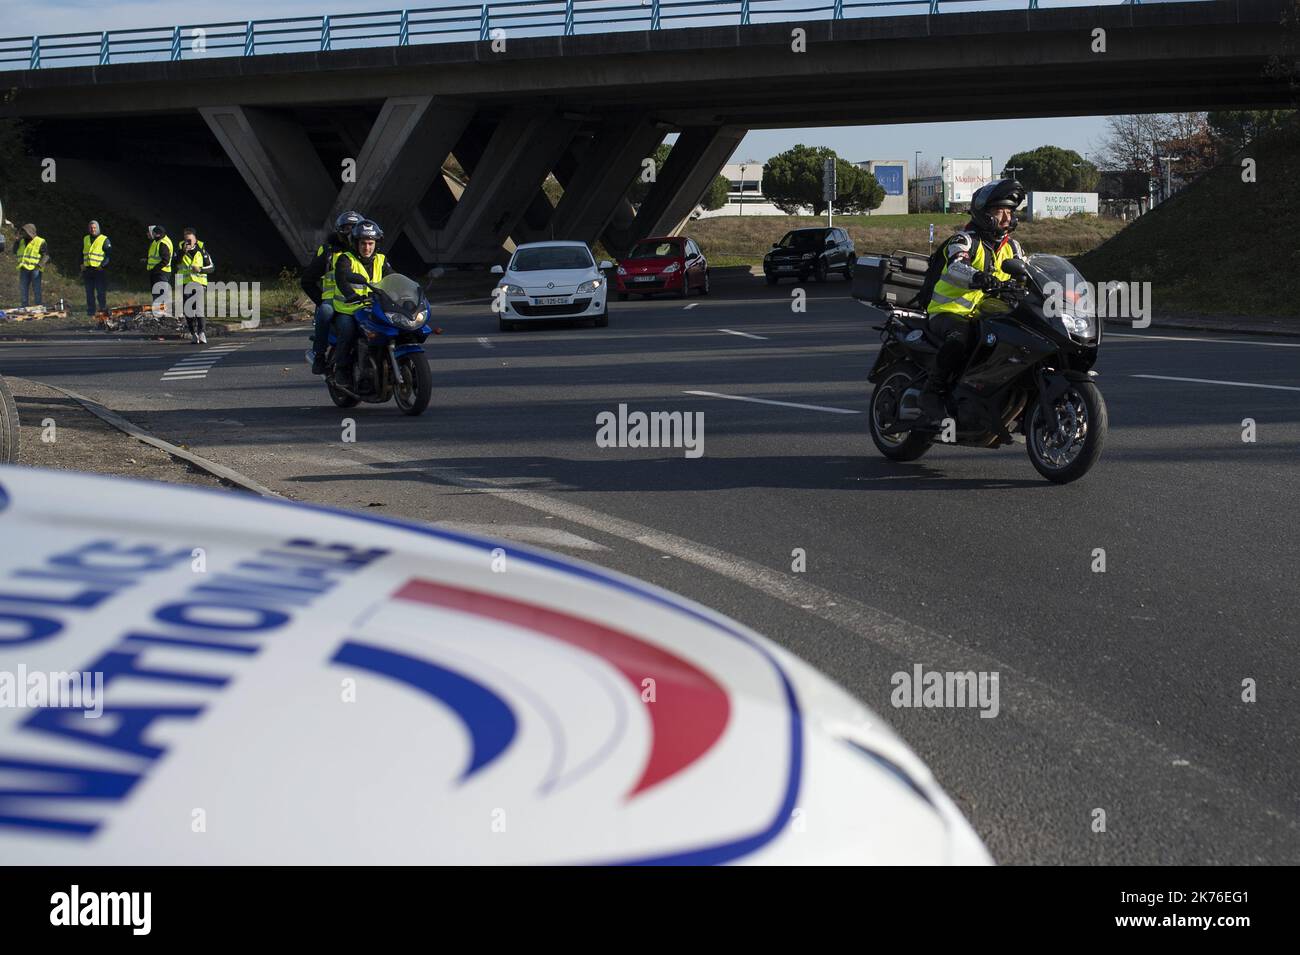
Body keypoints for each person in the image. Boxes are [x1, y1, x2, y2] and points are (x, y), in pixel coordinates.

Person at [919, 179, 1027, 423]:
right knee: (960, 339)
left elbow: (1028, 273)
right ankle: (932, 392)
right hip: (950, 311)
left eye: (1010, 212)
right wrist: (978, 276)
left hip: (987, 313)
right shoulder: (964, 240)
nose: (1007, 218)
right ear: (985, 214)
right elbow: (957, 266)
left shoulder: (1014, 248)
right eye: (1001, 211)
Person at [302, 210, 364, 374]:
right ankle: (320, 355)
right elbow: (307, 280)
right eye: (347, 228)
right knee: (325, 311)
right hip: (333, 300)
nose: (351, 233)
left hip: (362, 301)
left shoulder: (369, 252)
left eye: (355, 228)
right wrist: (320, 300)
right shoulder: (329, 252)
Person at [331, 219, 392, 381]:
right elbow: (342, 279)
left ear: (376, 244)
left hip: (373, 309)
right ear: (356, 243)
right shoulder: (345, 259)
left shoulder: (381, 260)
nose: (367, 247)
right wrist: (351, 294)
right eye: (363, 243)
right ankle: (341, 370)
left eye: (370, 243)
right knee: (348, 330)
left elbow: (393, 278)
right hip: (348, 309)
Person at [175, 227, 214, 344]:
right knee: (188, 310)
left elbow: (211, 267)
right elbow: (173, 264)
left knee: (199, 308)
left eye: (190, 240)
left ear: (195, 239)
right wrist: (183, 252)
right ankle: (193, 334)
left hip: (199, 283)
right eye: (186, 240)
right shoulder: (180, 250)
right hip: (184, 283)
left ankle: (202, 332)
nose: (188, 242)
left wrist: (200, 269)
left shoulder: (201, 251)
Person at [82, 220, 112, 317]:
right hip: (87, 269)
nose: (93, 229)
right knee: (89, 292)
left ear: (98, 228)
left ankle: (102, 309)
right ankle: (91, 311)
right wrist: (81, 264)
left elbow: (108, 255)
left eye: (94, 228)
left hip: (99, 270)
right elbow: (81, 252)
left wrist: (102, 265)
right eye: (91, 228)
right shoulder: (86, 238)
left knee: (100, 291)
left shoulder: (104, 239)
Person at [15, 224, 48, 308]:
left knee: (36, 288)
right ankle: (24, 306)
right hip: (23, 268)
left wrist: (40, 265)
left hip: (35, 269)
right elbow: (15, 251)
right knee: (23, 288)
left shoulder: (40, 241)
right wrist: (16, 241)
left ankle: (38, 305)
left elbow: (46, 255)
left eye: (25, 232)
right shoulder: (21, 241)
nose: (23, 233)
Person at [145, 225, 173, 305]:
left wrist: (155, 269)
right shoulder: (157, 241)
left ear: (158, 234)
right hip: (157, 272)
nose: (150, 234)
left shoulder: (163, 243)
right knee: (157, 296)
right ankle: (158, 314)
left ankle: (164, 315)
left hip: (161, 273)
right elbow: (156, 257)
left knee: (160, 296)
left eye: (153, 233)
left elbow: (165, 260)